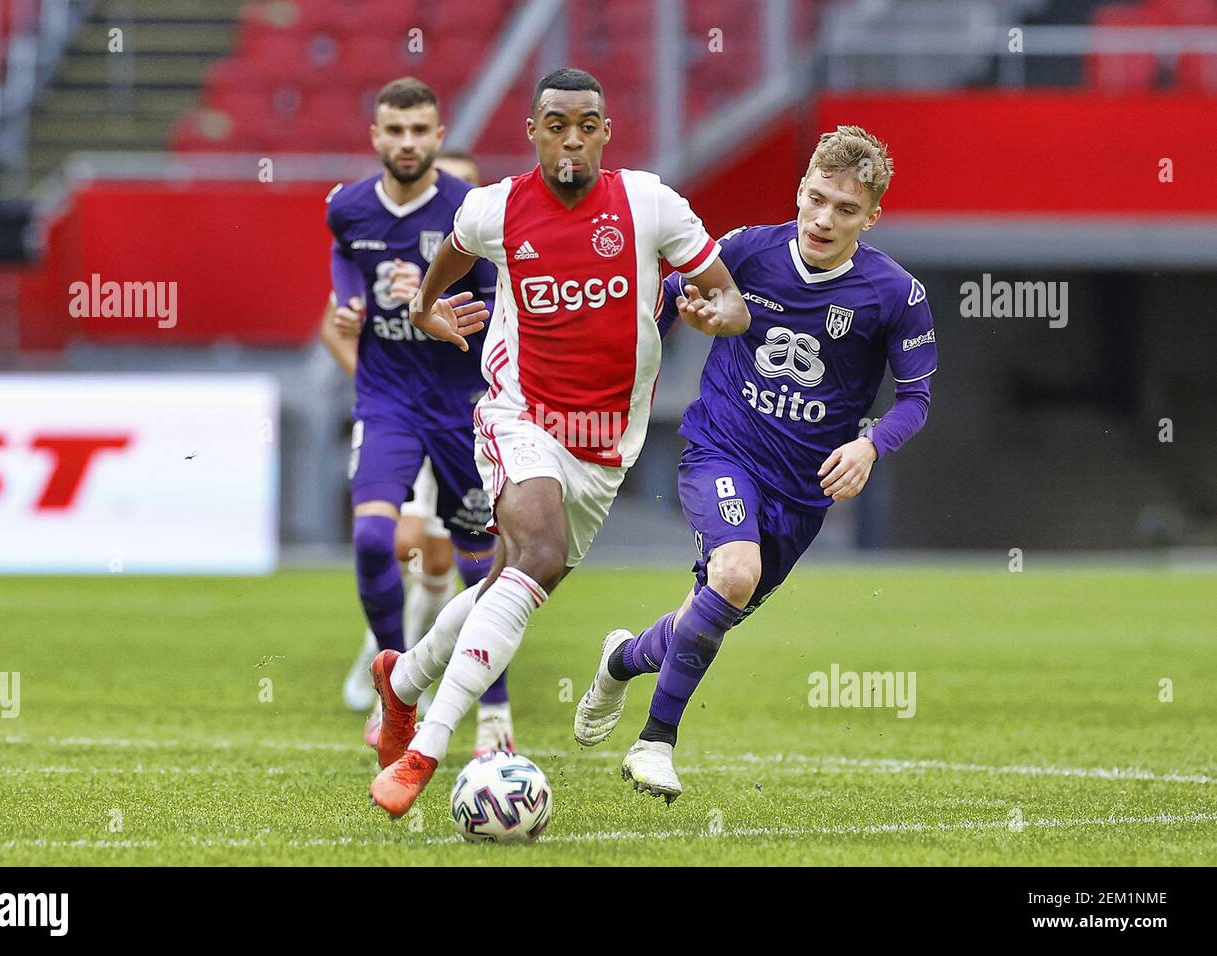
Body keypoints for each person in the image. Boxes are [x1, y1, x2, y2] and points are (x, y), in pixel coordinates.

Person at [366, 67, 751, 819]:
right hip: (519, 415)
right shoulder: (496, 209)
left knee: (505, 587)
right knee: (535, 554)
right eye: (556, 124)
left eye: (587, 124)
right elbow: (449, 251)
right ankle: (423, 752)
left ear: (605, 132)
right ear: (534, 132)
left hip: (605, 448)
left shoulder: (650, 205)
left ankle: (402, 683)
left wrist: (718, 317)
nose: (571, 138)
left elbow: (730, 300)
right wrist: (425, 309)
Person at [573, 126, 938, 802]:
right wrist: (679, 319)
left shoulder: (895, 295)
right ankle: (655, 743)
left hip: (802, 493)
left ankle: (620, 660)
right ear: (800, 190)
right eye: (817, 199)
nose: (825, 219)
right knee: (736, 572)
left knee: (706, 613)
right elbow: (671, 302)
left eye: (846, 209)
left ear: (872, 215)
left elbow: (916, 399)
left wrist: (868, 445)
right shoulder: (745, 249)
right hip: (722, 447)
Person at [324, 77, 514, 757]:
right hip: (388, 400)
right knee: (376, 540)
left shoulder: (472, 209)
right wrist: (349, 304)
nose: (407, 143)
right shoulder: (348, 207)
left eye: (419, 130)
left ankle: (494, 711)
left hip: (463, 405)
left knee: (476, 564)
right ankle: (395, 683)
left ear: (439, 136)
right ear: (377, 137)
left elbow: (504, 308)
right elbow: (345, 260)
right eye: (394, 131)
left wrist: (433, 305)